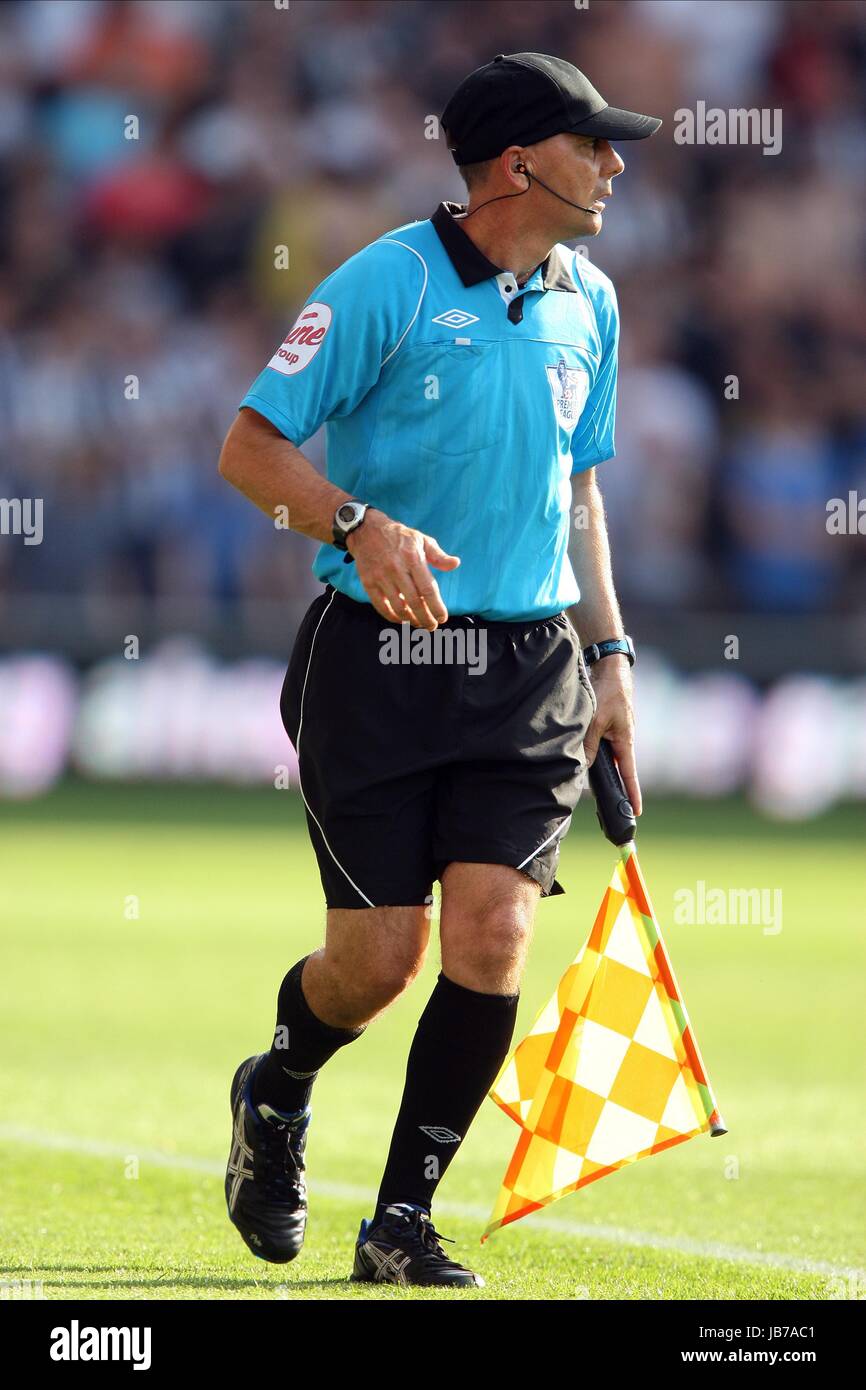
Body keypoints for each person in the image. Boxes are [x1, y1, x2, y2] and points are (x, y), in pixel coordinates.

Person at [218, 51, 659, 1288]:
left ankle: (399, 1220)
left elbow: (580, 492)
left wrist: (609, 656)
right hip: (374, 660)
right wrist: (357, 522)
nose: (615, 165)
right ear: (520, 163)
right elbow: (248, 450)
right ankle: (278, 1085)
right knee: (377, 963)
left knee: (494, 932)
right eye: (593, 145)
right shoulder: (384, 285)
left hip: (528, 665)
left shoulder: (593, 300)